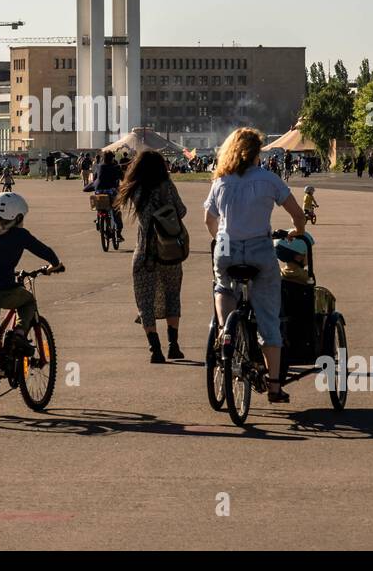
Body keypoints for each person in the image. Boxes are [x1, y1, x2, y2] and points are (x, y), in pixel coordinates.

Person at [204, 128, 307, 404]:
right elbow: (297, 214)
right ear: (256, 153)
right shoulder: (269, 180)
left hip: (226, 248)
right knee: (268, 315)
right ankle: (274, 386)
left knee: (223, 285)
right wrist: (297, 230)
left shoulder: (221, 182)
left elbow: (209, 221)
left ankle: (226, 331)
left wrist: (222, 238)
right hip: (260, 250)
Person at [117, 150, 187, 364]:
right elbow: (182, 211)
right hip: (169, 249)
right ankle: (173, 346)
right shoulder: (167, 185)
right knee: (172, 295)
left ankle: (154, 349)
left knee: (145, 301)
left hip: (145, 252)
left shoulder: (135, 188)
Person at [0, 193, 62, 353]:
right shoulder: (20, 235)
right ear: (18, 218)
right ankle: (18, 334)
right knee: (28, 301)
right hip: (3, 292)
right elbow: (45, 251)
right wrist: (55, 264)